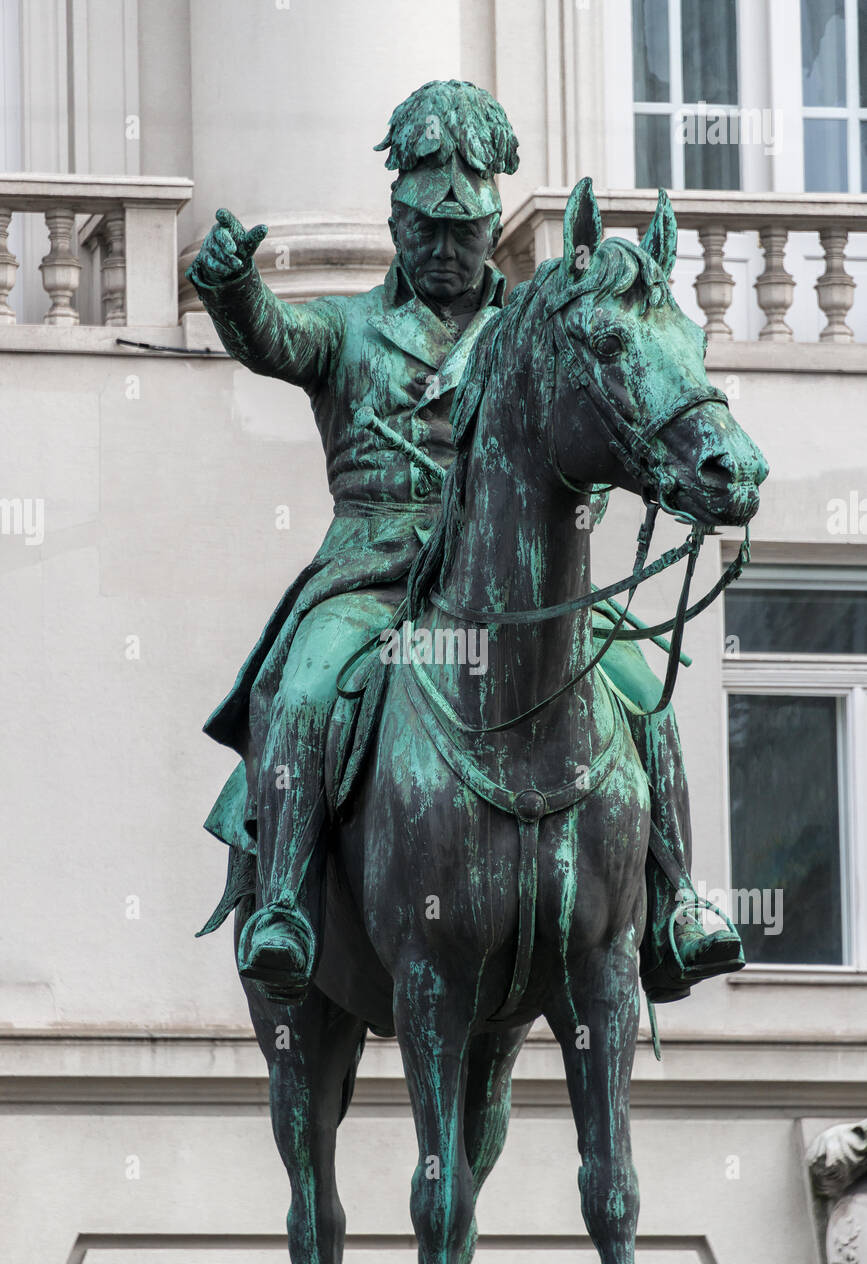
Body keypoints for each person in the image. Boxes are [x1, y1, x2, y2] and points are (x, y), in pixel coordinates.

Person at [187, 79, 742, 1008]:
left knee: (646, 694)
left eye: (463, 229)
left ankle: (678, 900)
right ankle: (284, 900)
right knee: (310, 685)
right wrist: (232, 284)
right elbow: (272, 339)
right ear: (395, 220)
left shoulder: (530, 329)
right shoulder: (350, 327)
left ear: (491, 225)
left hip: (517, 589)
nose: (444, 247)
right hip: (373, 573)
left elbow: (592, 431)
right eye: (423, 228)